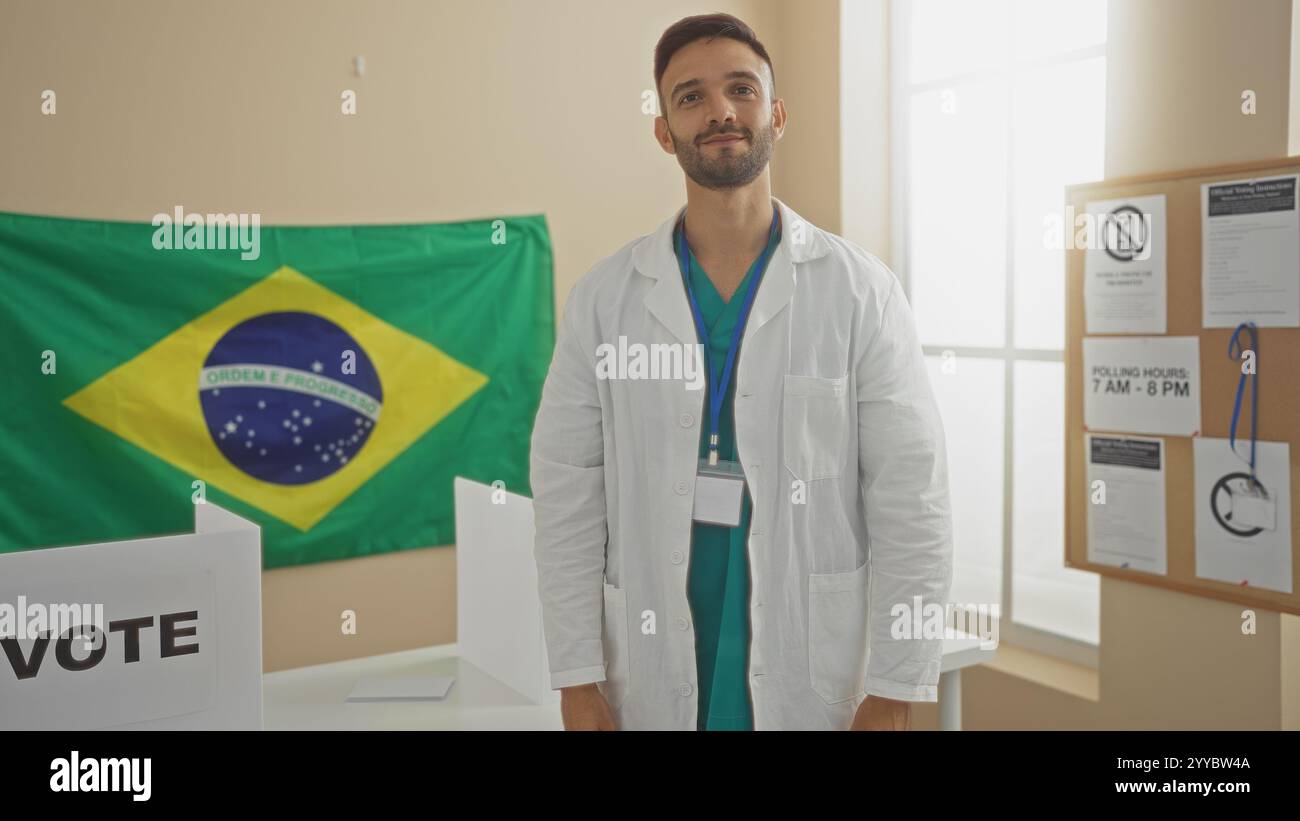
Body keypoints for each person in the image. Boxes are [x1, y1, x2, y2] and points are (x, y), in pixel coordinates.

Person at [531, 12, 953, 731]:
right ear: (664, 131)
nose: (721, 110)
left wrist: (898, 681)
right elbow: (567, 493)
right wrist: (576, 675)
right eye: (690, 97)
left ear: (776, 114)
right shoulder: (605, 301)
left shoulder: (859, 292)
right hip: (654, 661)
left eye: (741, 89)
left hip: (813, 667)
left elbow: (913, 496)